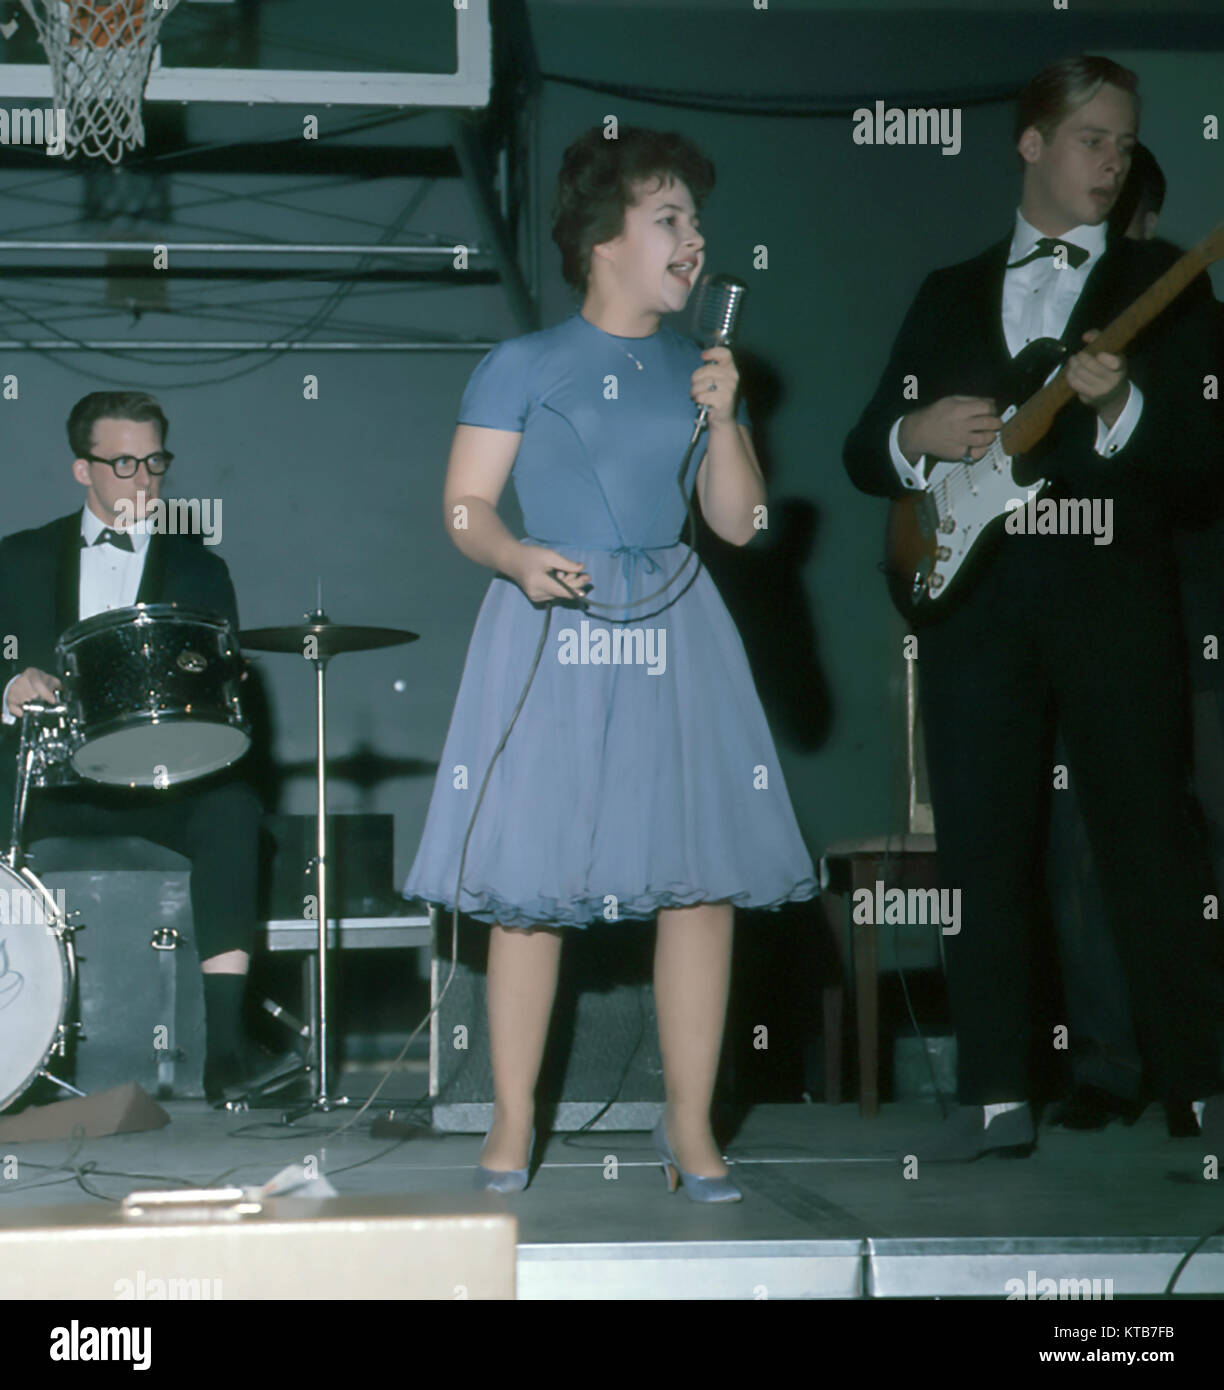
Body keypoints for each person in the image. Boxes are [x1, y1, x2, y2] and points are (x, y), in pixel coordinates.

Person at [404, 126, 817, 1199]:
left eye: (696, 221)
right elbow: (462, 506)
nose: (696, 239)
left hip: (676, 622)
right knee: (528, 888)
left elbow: (740, 524)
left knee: (701, 883)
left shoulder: (703, 369)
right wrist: (513, 555)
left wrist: (728, 422)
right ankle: (509, 1123)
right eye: (670, 219)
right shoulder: (523, 364)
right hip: (550, 622)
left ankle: (689, 1126)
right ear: (603, 240)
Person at [843, 56, 1224, 1160]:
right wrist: (916, 438)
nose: (1113, 161)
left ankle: (1201, 1085)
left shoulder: (1171, 283)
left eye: (1123, 142)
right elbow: (864, 444)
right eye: (1091, 139)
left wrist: (1128, 410)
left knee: (1153, 837)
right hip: (975, 608)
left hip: (1114, 602)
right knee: (980, 844)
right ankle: (995, 1092)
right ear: (1032, 144)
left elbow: (1208, 463)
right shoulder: (946, 292)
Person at [0, 391, 291, 1107]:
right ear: (82, 470)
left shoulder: (199, 569)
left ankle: (226, 1051)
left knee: (234, 810)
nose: (144, 481)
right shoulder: (18, 559)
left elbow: (219, 690)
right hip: (45, 786)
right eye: (124, 463)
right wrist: (9, 680)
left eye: (155, 462)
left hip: (160, 787)